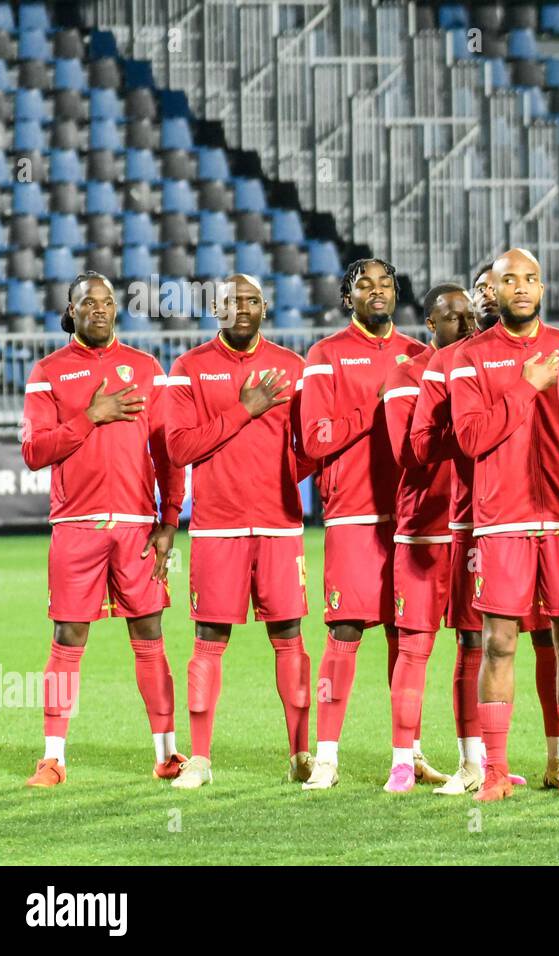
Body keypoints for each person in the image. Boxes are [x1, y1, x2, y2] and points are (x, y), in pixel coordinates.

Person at [23, 272, 186, 787]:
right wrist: (90, 416)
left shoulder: (145, 368)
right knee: (67, 636)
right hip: (75, 526)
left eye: (108, 301)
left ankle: (167, 754)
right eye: (88, 302)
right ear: (70, 312)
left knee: (150, 635)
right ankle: (53, 759)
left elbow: (168, 450)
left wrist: (169, 519)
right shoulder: (47, 373)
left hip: (139, 527)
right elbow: (34, 452)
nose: (99, 308)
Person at [450, 248, 559, 802]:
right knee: (499, 642)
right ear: (493, 288)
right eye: (510, 280)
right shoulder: (471, 357)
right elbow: (469, 438)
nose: (523, 288)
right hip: (502, 519)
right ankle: (494, 770)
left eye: (531, 278)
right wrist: (525, 386)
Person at [162, 274, 313, 788]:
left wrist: (278, 476)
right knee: (209, 639)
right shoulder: (189, 368)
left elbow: (308, 448)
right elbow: (179, 449)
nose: (242, 308)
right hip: (216, 529)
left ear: (265, 308)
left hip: (279, 526)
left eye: (250, 300)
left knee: (289, 638)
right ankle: (200, 760)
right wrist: (244, 409)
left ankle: (301, 756)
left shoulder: (293, 368)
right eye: (231, 301)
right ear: (215, 308)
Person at [297, 258, 426, 789]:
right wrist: (374, 412)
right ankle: (326, 756)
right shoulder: (325, 355)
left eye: (386, 284)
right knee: (343, 635)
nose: (377, 292)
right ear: (347, 297)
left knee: (408, 637)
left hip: (411, 516)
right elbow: (314, 439)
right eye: (364, 285)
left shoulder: (419, 356)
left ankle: (408, 754)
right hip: (353, 513)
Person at [381, 282, 475, 791]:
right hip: (421, 529)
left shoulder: (481, 364)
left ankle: (473, 760)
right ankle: (403, 759)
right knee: (415, 648)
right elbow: (409, 453)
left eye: (468, 316)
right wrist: (471, 424)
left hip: (473, 529)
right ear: (430, 327)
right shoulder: (407, 375)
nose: (463, 326)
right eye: (451, 318)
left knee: (474, 644)